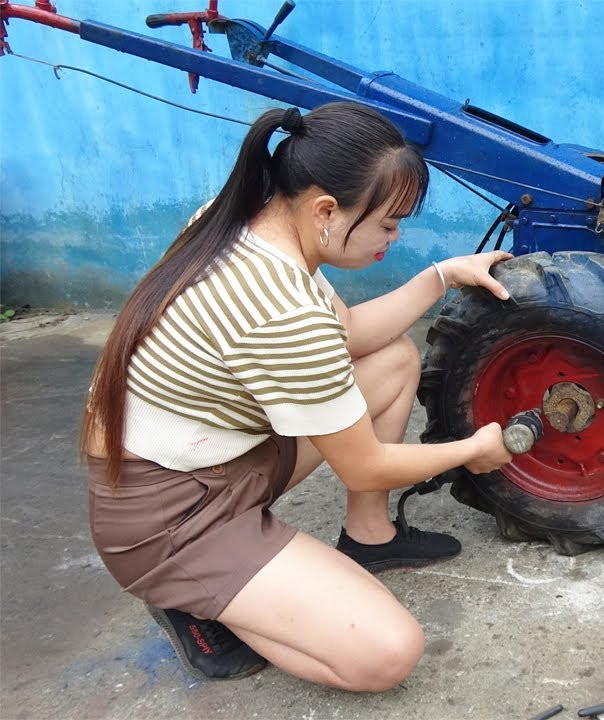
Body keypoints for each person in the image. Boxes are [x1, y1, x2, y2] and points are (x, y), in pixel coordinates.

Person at [82, 101, 514, 691]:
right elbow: (363, 462)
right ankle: (191, 594)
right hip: (166, 521)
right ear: (327, 211)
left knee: (391, 360)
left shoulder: (249, 224)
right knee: (387, 654)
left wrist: (442, 275)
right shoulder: (284, 314)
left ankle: (369, 537)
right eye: (388, 224)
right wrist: (471, 449)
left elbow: (353, 337)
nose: (394, 238)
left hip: (214, 460)